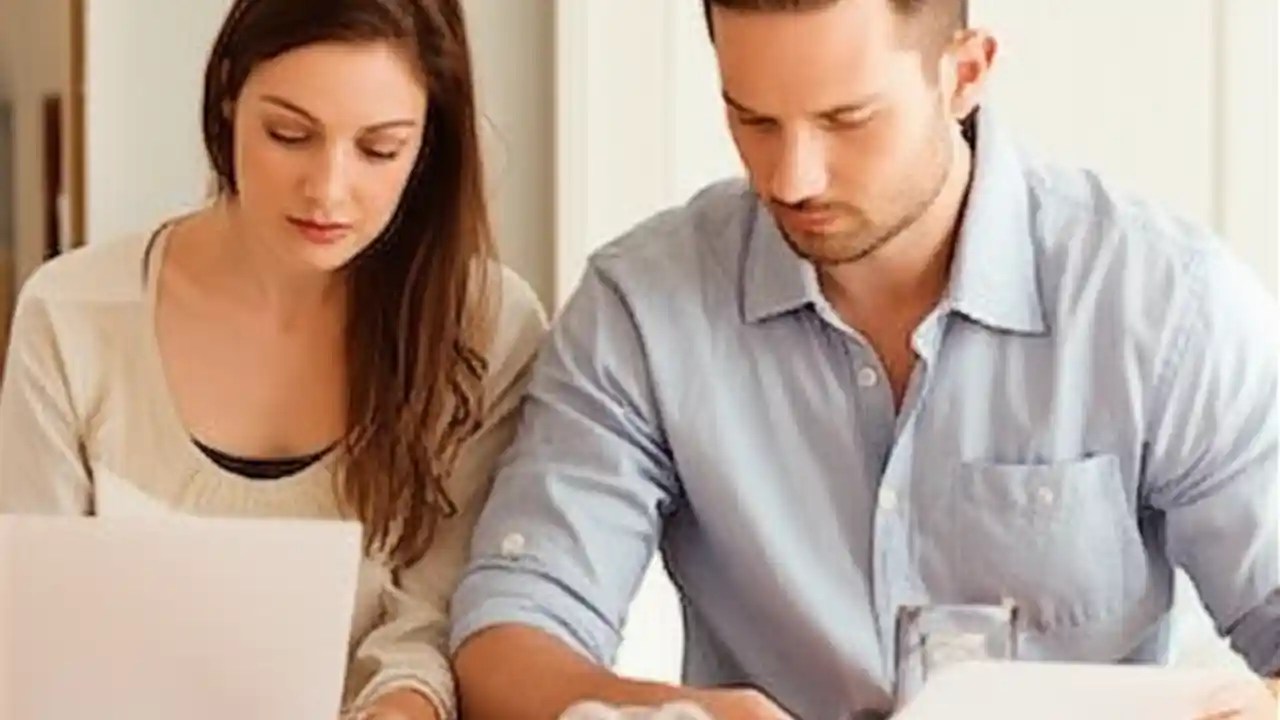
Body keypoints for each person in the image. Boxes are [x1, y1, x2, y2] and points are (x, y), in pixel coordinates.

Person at [447, 0, 1279, 718]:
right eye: (753, 120)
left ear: (965, 74)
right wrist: (680, 717)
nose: (793, 178)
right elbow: (513, 634)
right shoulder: (641, 308)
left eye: (848, 121)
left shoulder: (1164, 308)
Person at [0, 1, 546, 718]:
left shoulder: (486, 329)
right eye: (289, 135)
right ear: (228, 97)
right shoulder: (72, 314)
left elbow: (438, 621)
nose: (327, 189)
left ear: (429, 143)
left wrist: (397, 708)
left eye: (380, 149)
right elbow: (34, 629)